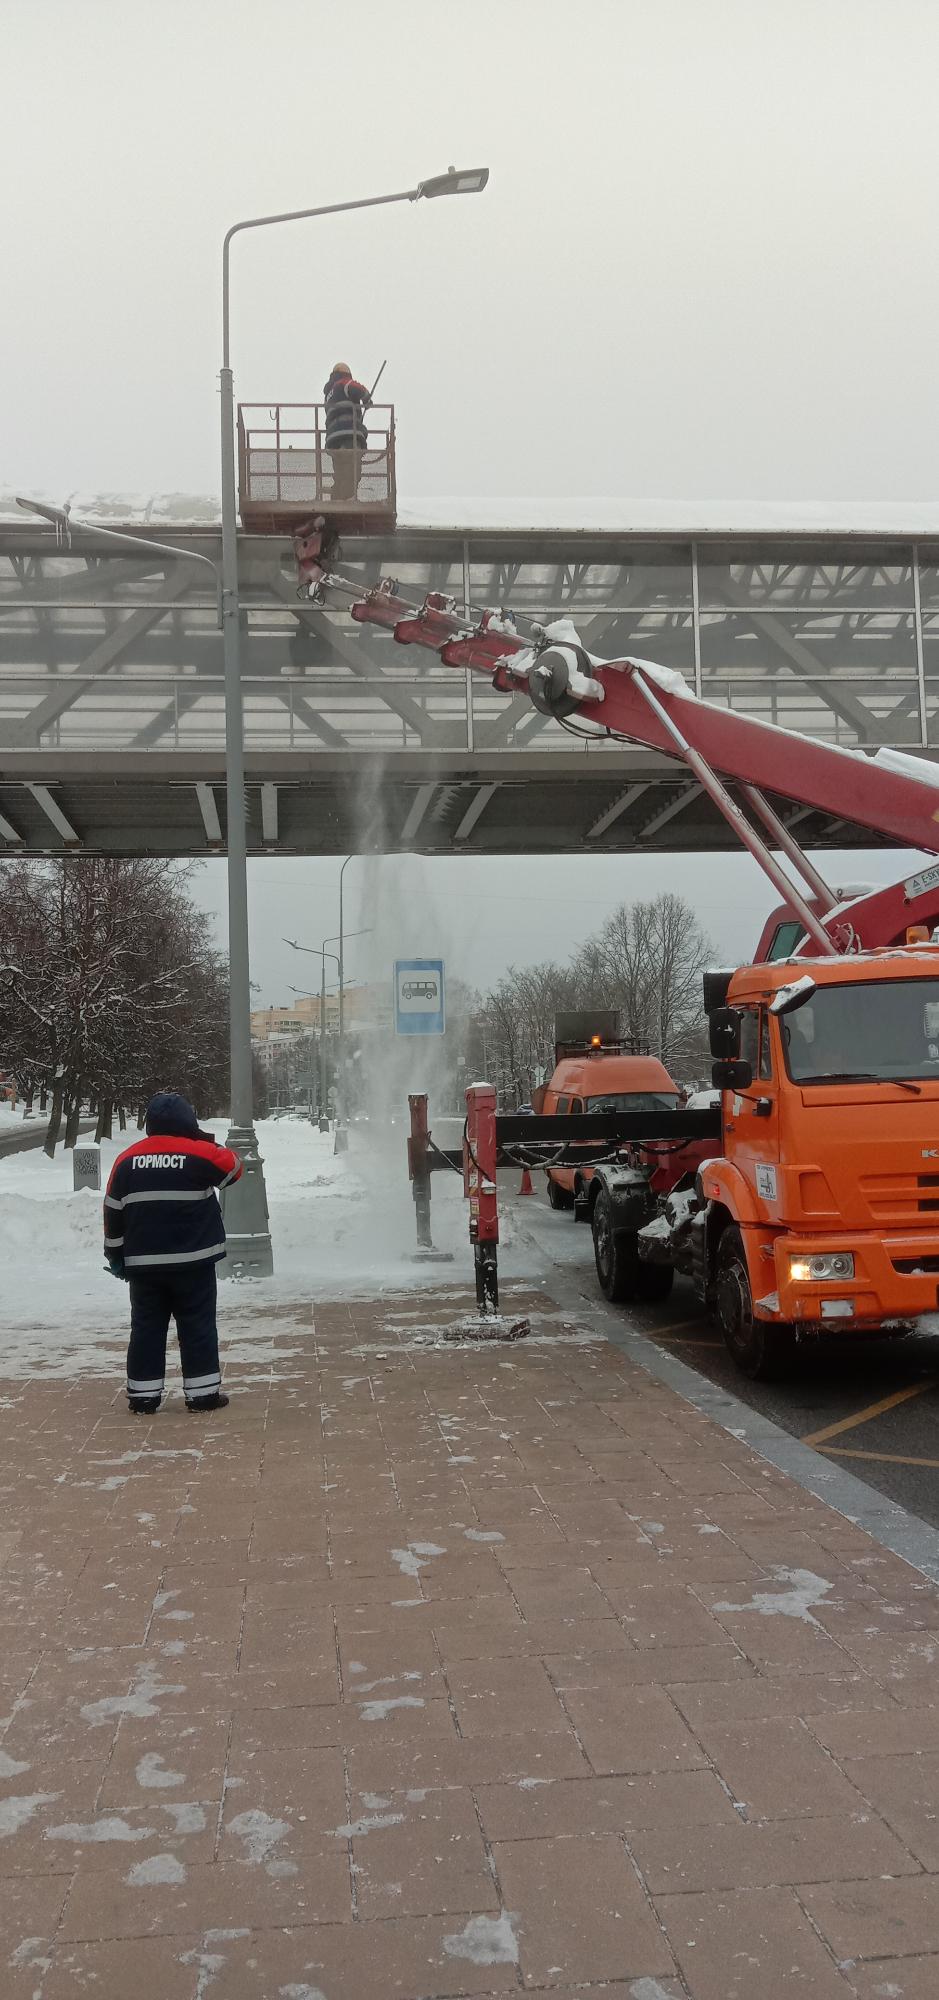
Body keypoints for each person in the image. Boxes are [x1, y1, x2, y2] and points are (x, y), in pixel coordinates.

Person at [103, 1092, 243, 1415]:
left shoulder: (126, 1161)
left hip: (144, 1268)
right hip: (194, 1263)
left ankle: (143, 1397)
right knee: (197, 1325)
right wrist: (203, 1142)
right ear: (188, 1123)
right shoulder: (197, 1154)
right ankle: (203, 1394)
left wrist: (116, 1255)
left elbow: (112, 1211)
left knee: (146, 1328)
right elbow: (235, 1168)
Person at [323, 362, 371, 504]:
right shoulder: (342, 382)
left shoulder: (328, 394)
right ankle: (348, 499)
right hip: (348, 434)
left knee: (339, 472)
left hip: (333, 438)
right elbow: (358, 388)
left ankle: (337, 499)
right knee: (352, 470)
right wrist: (367, 399)